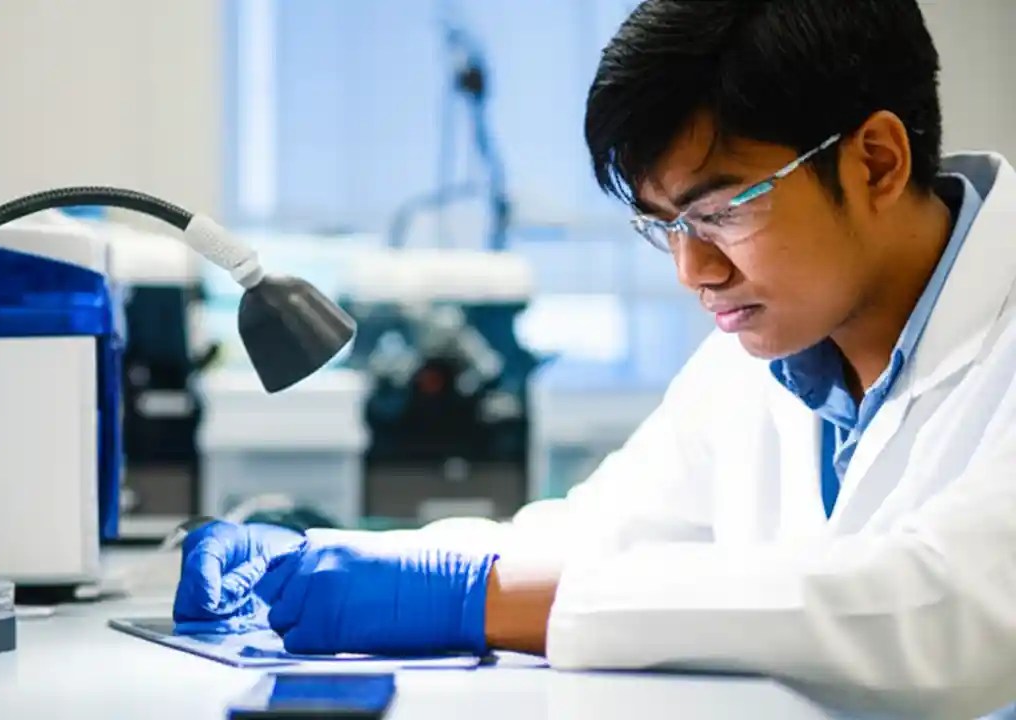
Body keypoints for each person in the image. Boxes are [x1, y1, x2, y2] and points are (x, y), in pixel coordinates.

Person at [173, 1, 1016, 717]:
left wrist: (471, 601)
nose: (693, 273)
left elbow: (949, 606)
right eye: (666, 227)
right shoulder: (766, 351)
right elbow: (601, 535)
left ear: (875, 160)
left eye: (720, 212)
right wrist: (333, 556)